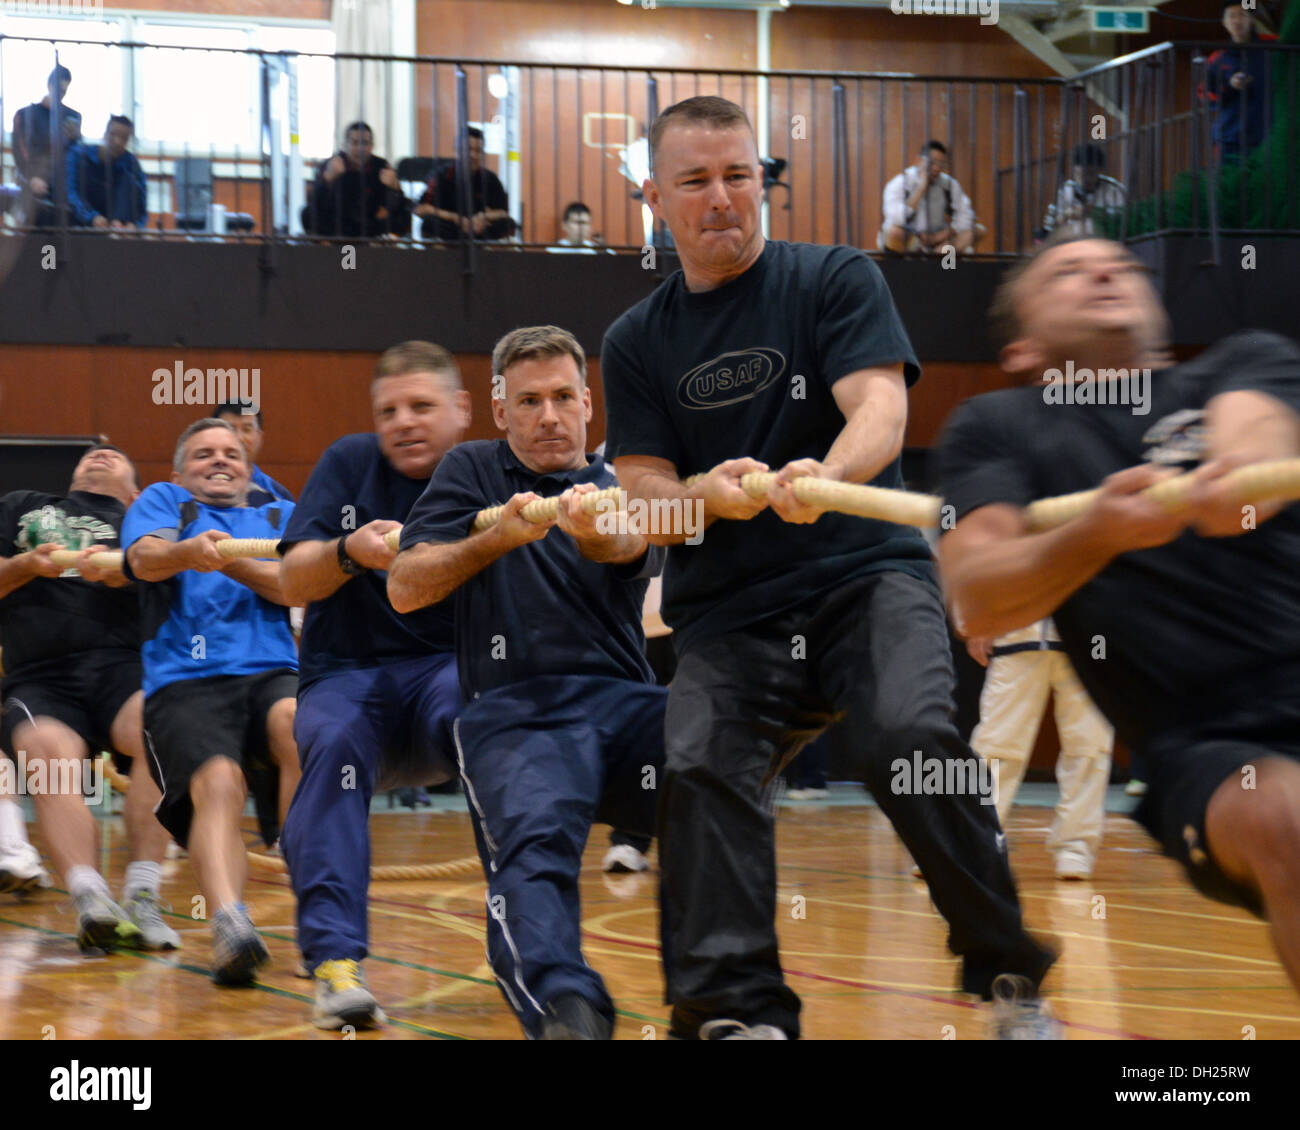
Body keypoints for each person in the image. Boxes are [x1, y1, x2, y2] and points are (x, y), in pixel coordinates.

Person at [601, 95, 1056, 1041]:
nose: (722, 198)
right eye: (695, 180)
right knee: (696, 768)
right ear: (654, 195)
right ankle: (736, 1014)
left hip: (865, 576)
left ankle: (1009, 974)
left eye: (739, 175)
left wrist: (829, 473)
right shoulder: (636, 341)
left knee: (908, 742)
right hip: (729, 614)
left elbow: (880, 410)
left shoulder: (833, 278)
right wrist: (705, 496)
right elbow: (643, 495)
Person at [935, 233, 1300, 993]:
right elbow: (976, 593)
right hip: (1216, 750)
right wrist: (1094, 534)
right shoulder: (995, 427)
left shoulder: (1242, 362)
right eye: (1068, 271)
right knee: (1287, 818)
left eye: (1123, 265)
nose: (1104, 269)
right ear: (1023, 347)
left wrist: (1237, 492)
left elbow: (1259, 450)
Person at [388, 324, 666, 1040]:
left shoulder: (619, 482)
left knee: (722, 770)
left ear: (588, 406)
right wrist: (496, 539)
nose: (550, 415)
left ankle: (724, 998)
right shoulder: (471, 471)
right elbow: (406, 587)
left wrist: (598, 534)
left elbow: (632, 545)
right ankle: (567, 1014)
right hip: (517, 715)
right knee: (534, 847)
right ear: (500, 410)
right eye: (530, 400)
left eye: (565, 397)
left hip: (626, 707)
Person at [277, 341, 469, 1029]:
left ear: (462, 411)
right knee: (328, 745)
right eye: (389, 410)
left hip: (446, 676)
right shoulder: (348, 463)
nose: (404, 422)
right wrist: (347, 553)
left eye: (422, 406)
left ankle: (537, 951)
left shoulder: (484, 474)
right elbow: (292, 578)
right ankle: (334, 964)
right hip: (348, 678)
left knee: (491, 720)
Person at [122, 419, 300, 985]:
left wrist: (226, 561)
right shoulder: (164, 501)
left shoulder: (279, 513)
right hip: (186, 680)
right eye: (203, 454)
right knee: (219, 781)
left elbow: (294, 585)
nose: (219, 460)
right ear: (180, 472)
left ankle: (316, 906)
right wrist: (185, 552)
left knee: (302, 724)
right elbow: (145, 559)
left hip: (272, 672)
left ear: (249, 469)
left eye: (231, 453)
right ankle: (229, 924)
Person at [0, 444, 178, 950]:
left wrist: (136, 570)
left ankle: (144, 894)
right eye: (92, 454)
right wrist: (26, 567)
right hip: (41, 677)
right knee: (46, 755)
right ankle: (91, 899)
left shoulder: (147, 523)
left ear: (136, 491)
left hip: (124, 671)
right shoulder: (21, 506)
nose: (100, 455)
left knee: (163, 729)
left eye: (117, 456)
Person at [965, 620, 1114, 880]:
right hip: (1015, 629)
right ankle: (965, 841)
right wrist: (978, 618)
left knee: (1090, 745)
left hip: (1093, 637)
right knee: (994, 745)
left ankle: (1075, 847)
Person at [303, 121, 410, 239]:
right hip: (337, 223)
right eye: (354, 143)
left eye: (365, 143)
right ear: (345, 145)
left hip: (371, 224)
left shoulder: (381, 166)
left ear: (372, 146)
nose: (360, 148)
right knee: (307, 213)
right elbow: (315, 202)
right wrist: (328, 179)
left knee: (405, 216)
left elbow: (398, 204)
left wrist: (395, 189)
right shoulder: (332, 164)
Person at [1202, 1, 1275, 165]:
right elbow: (1206, 96)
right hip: (1230, 136)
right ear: (1224, 23)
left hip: (1268, 133)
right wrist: (1231, 87)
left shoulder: (1273, 47)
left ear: (1251, 19)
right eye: (1232, 16)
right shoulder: (1218, 58)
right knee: (1229, 185)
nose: (1237, 21)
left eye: (1242, 15)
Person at [880, 140, 981, 255]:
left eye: (941, 164)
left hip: (938, 240)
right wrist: (921, 188)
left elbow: (966, 216)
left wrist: (940, 236)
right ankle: (921, 257)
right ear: (918, 161)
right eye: (932, 162)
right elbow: (896, 219)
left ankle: (938, 257)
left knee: (975, 231)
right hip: (910, 239)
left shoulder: (949, 184)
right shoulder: (900, 182)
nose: (937, 168)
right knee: (894, 233)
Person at [11, 65, 82, 227]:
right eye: (58, 88)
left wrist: (76, 137)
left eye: (64, 90)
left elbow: (76, 153)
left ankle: (52, 253)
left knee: (59, 235)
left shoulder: (73, 116)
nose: (60, 94)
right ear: (49, 85)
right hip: (31, 181)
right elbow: (19, 150)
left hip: (62, 184)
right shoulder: (25, 114)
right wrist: (32, 176)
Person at [414, 127, 514, 241]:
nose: (473, 155)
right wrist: (455, 218)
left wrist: (483, 217)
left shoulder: (490, 179)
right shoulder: (441, 176)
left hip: (480, 230)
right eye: (469, 149)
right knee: (429, 224)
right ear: (457, 150)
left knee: (508, 224)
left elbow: (503, 212)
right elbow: (420, 209)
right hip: (451, 229)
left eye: (478, 151)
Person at [65, 115, 147, 231]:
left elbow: (141, 205)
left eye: (124, 138)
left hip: (118, 229)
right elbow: (70, 192)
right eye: (113, 134)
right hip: (80, 224)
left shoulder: (131, 163)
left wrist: (135, 226)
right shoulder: (78, 155)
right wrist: (91, 217)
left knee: (129, 178)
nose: (118, 141)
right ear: (105, 134)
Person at [213, 403, 294, 506]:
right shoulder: (197, 490)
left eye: (247, 429)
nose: (239, 438)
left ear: (259, 437)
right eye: (231, 429)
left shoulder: (279, 498)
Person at [1041, 143, 1126, 238]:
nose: (1086, 180)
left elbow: (1122, 220)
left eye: (1090, 173)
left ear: (1100, 170)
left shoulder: (1114, 190)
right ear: (1074, 170)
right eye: (1080, 175)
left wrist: (1093, 213)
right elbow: (1049, 226)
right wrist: (1065, 215)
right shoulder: (1066, 190)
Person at [547, 202, 612, 254]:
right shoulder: (553, 251)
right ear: (564, 225)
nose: (582, 227)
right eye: (577, 223)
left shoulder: (599, 251)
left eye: (585, 223)